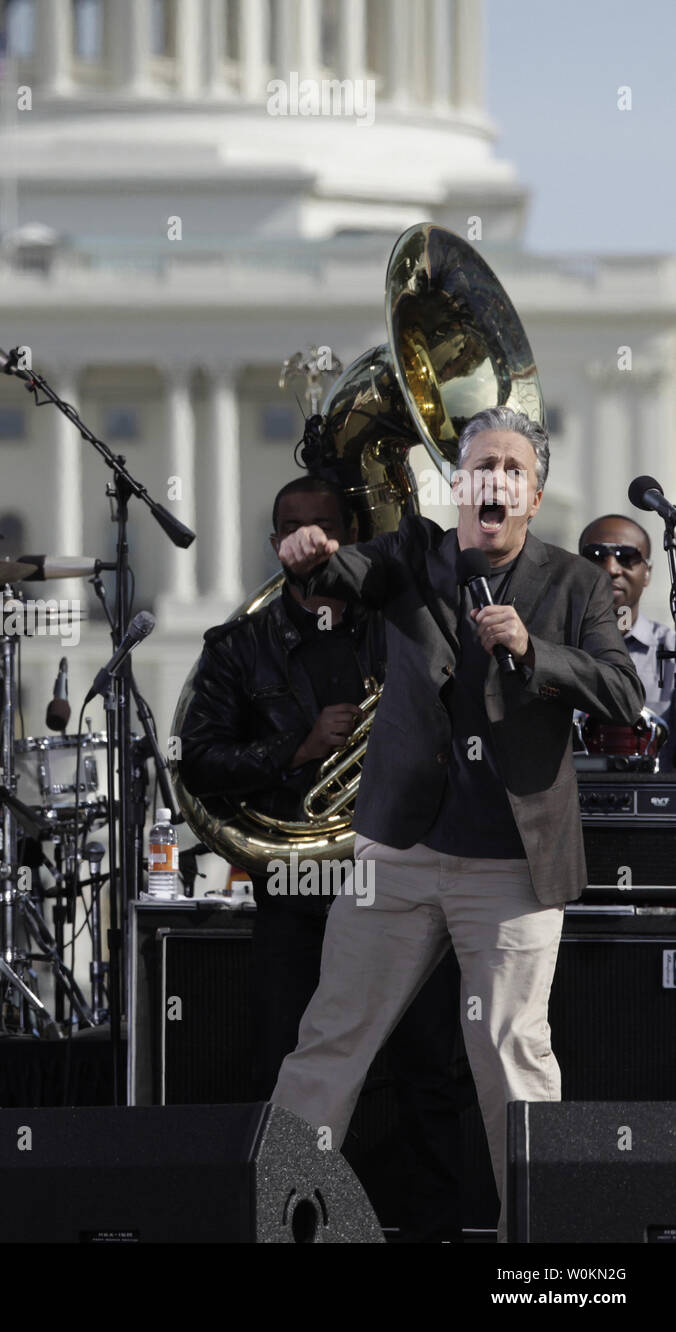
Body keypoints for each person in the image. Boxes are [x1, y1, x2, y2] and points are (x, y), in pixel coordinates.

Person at [269, 406, 643, 1231]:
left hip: (511, 865)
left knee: (513, 1059)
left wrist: (534, 653)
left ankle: (542, 1256)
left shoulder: (573, 584)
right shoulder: (414, 554)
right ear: (459, 484)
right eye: (481, 466)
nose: (495, 481)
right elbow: (343, 575)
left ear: (535, 496)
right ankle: (280, 1219)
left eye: (512, 468)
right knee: (331, 1042)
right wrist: (310, 558)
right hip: (398, 850)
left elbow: (624, 691)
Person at [178, 475, 466, 1241]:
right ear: (275, 541)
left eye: (324, 525)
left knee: (427, 1071)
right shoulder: (239, 646)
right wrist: (297, 749)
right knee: (287, 1064)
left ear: (350, 533)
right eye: (291, 527)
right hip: (300, 888)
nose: (306, 541)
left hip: (403, 874)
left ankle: (435, 1229)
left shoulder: (401, 624)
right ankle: (292, 1221)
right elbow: (198, 762)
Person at [577, 513, 674, 768]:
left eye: (627, 556)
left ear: (647, 573)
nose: (611, 569)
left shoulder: (671, 648)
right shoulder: (551, 649)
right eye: (596, 556)